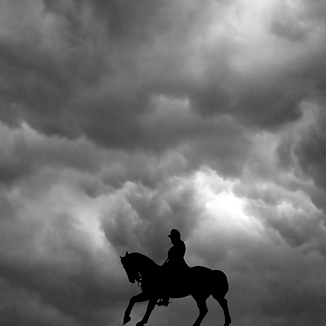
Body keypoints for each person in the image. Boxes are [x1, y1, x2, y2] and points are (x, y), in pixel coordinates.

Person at [157, 229, 188, 306]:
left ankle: (165, 299)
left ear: (175, 237)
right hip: (171, 264)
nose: (171, 239)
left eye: (172, 238)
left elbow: (178, 257)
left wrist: (169, 264)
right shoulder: (175, 246)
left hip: (178, 265)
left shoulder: (180, 245)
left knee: (167, 277)